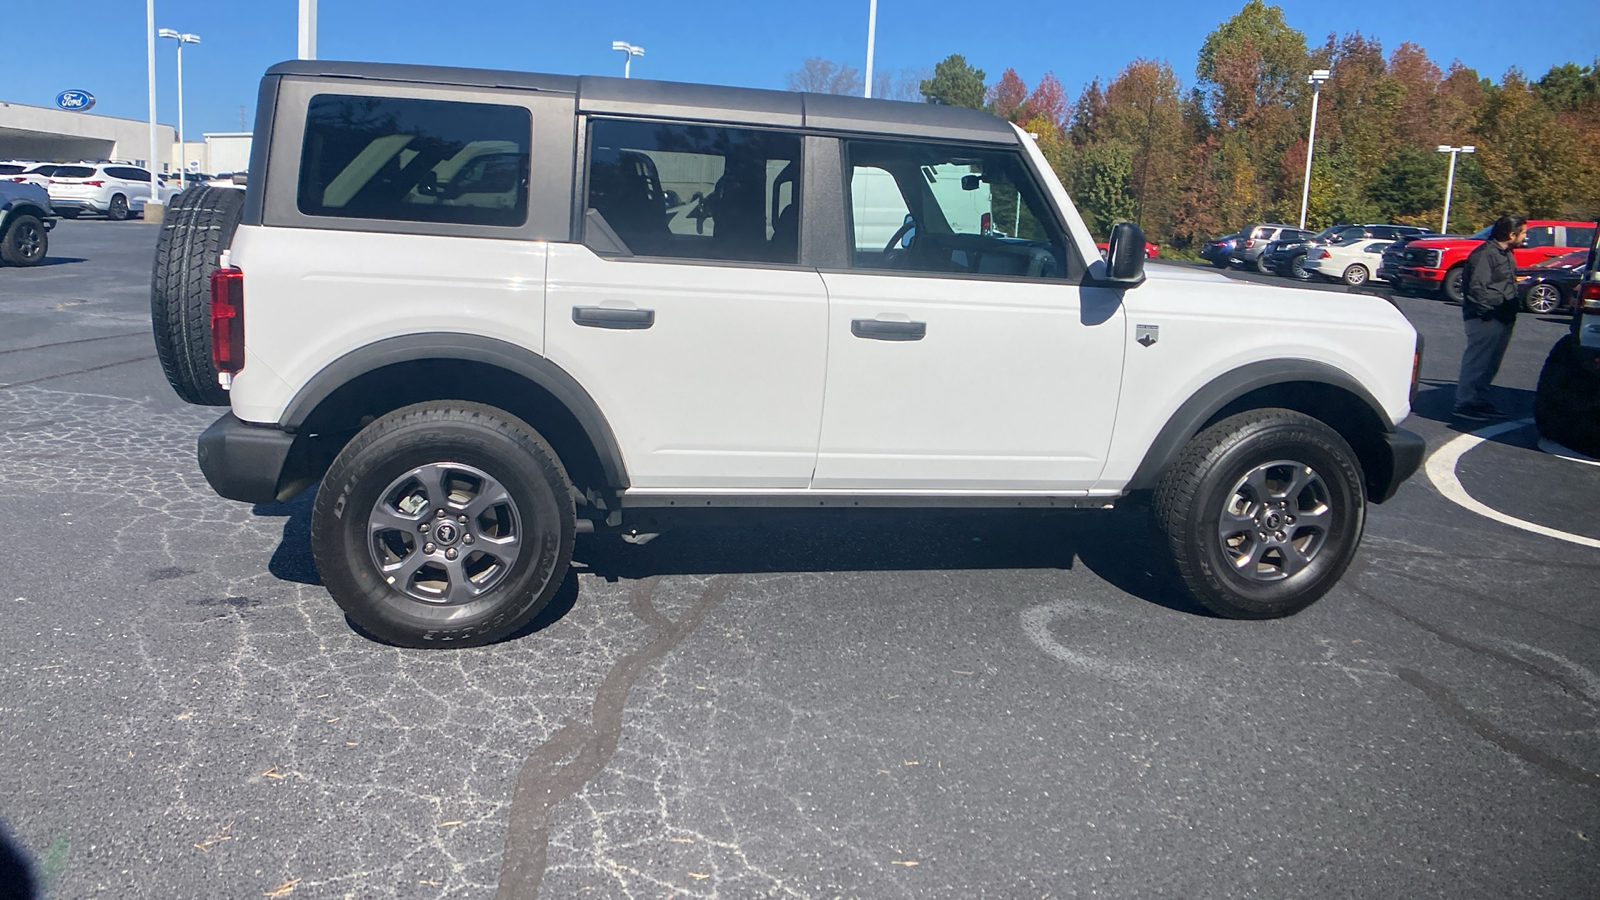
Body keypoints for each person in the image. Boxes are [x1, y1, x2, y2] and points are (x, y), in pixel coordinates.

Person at [1453, 214, 1527, 421]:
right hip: (1486, 318)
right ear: (1511, 233)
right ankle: (1465, 403)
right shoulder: (1485, 254)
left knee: (1490, 364)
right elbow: (1477, 288)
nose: (1525, 237)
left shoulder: (1505, 253)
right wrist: (1485, 313)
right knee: (1477, 362)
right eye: (1523, 232)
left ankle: (1478, 400)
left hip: (1502, 317)